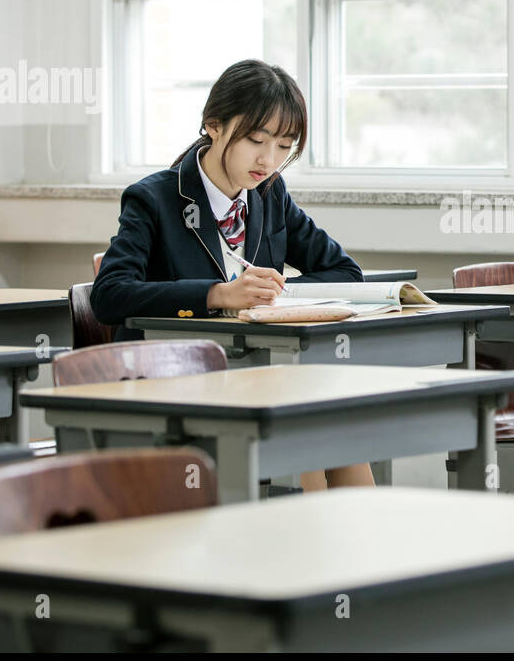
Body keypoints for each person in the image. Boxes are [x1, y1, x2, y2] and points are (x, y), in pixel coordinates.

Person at [92, 59, 374, 491]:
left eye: (284, 145)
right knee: (316, 422)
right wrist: (219, 294)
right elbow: (110, 295)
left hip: (250, 375)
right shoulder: (155, 198)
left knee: (339, 422)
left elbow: (344, 272)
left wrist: (275, 295)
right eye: (256, 140)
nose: (269, 160)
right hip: (171, 382)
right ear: (214, 126)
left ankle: (354, 553)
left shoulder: (269, 193)